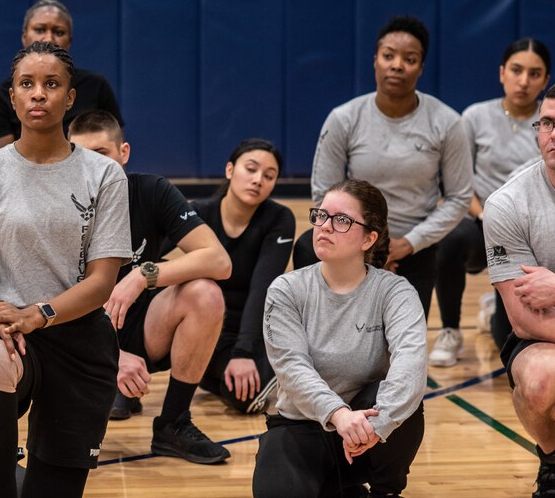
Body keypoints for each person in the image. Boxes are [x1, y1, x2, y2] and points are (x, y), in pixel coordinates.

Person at [0, 41, 132, 498]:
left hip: (80, 341)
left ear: (70, 98)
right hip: (9, 332)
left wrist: (37, 313)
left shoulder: (104, 176)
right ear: (12, 97)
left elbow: (102, 282)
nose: (38, 94)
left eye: (51, 85)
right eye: (26, 84)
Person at [67, 110, 234, 464]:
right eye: (82, 156)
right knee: (73, 459)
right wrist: (109, 356)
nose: (93, 166)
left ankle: (173, 422)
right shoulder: (58, 205)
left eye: (103, 154)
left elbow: (218, 260)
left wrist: (143, 275)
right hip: (73, 337)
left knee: (204, 293)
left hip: (139, 323)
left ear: (123, 153)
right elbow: (44, 301)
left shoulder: (151, 190)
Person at [253, 180, 427, 498]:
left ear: (369, 238)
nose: (325, 227)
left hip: (368, 432)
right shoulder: (286, 290)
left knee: (400, 400)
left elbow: (410, 366)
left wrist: (378, 424)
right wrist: (339, 415)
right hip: (301, 425)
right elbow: (292, 369)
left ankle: (384, 491)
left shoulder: (395, 291)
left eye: (341, 220)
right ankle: (337, 487)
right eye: (321, 215)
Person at [301, 15, 474, 327]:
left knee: (399, 349)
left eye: (409, 59)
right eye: (389, 56)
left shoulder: (447, 122)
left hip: (413, 247)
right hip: (351, 240)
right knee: (306, 247)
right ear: (375, 61)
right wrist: (363, 247)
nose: (397, 65)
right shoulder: (343, 119)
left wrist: (407, 244)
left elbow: (459, 198)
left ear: (420, 68)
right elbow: (323, 191)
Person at [484, 78, 555, 498]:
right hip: (551, 336)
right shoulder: (507, 204)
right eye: (545, 123)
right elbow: (525, 319)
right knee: (542, 381)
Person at [430, 38, 551, 366]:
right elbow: (458, 184)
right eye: (516, 70)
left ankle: (495, 305)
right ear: (502, 73)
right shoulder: (474, 117)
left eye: (534, 73)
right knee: (450, 239)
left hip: (533, 233)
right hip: (481, 223)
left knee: (505, 343)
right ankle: (451, 331)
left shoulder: (552, 120)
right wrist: (487, 217)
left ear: (546, 80)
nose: (524, 80)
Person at [183, 139, 295, 415]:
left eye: (269, 176)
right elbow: (152, 255)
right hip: (205, 325)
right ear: (230, 170)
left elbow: (262, 290)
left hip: (251, 330)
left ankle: (280, 365)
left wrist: (243, 352)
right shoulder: (199, 212)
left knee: (246, 400)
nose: (258, 180)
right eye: (251, 169)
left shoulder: (278, 218)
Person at [0, 0, 123, 153]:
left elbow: (113, 152)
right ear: (24, 37)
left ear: (70, 98)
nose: (49, 38)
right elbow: (2, 165)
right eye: (40, 30)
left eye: (59, 32)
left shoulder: (96, 86)